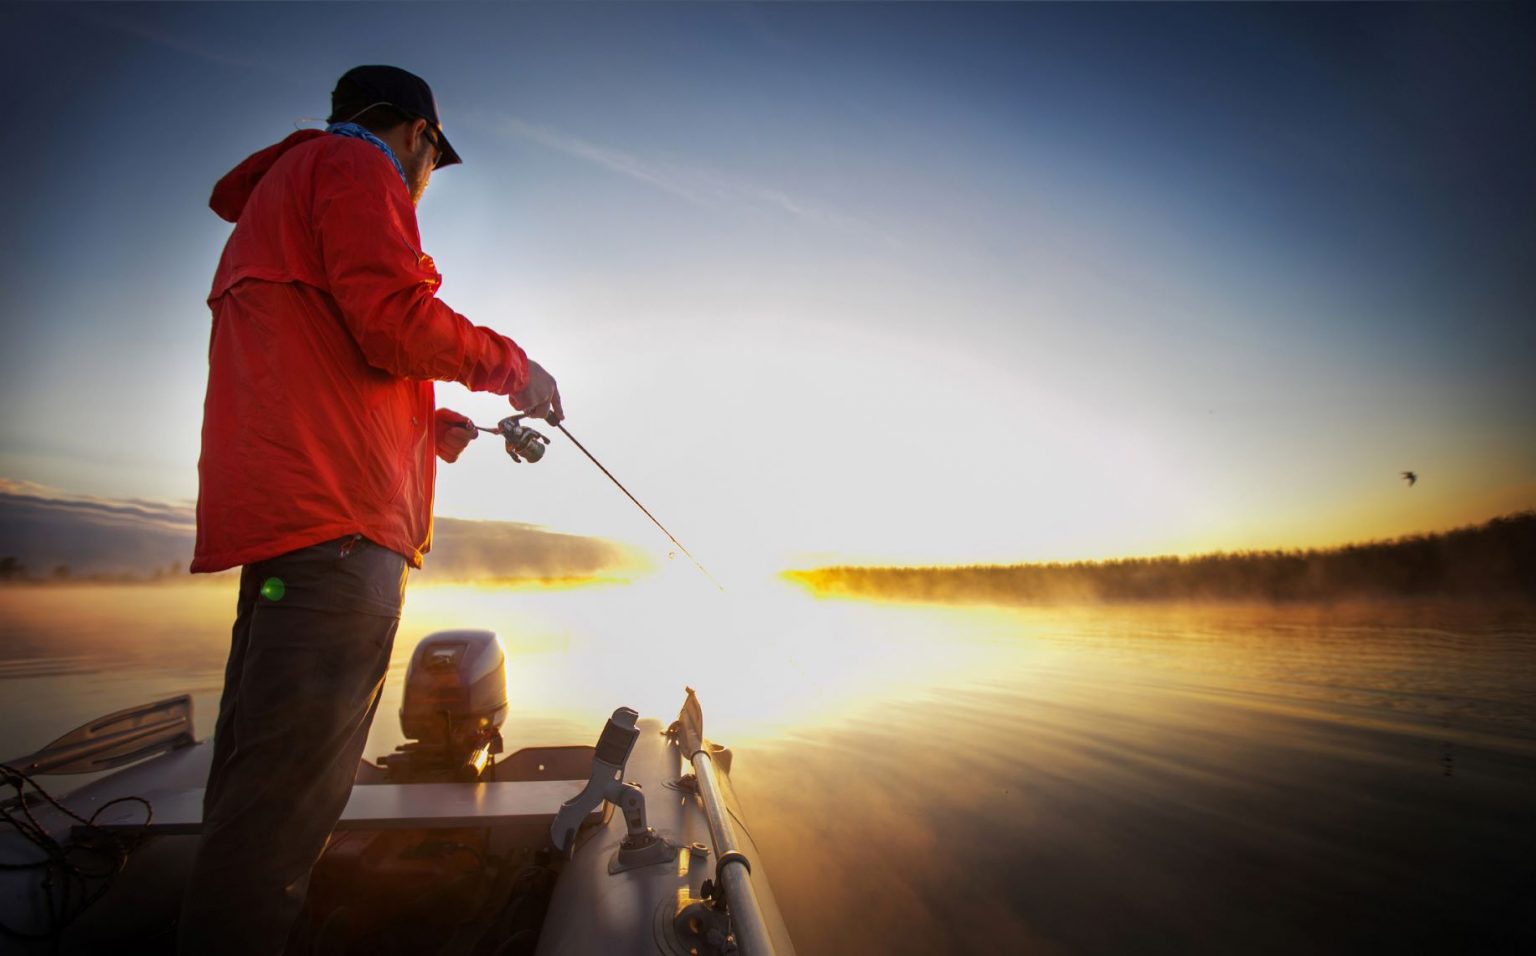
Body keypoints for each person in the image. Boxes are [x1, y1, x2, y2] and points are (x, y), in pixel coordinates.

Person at [177, 65, 560, 955]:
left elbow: (323, 357)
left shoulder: (286, 188)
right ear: (419, 136)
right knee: (280, 817)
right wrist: (516, 368)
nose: (424, 179)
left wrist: (426, 425)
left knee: (254, 790)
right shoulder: (356, 168)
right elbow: (393, 321)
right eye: (432, 159)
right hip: (339, 540)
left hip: (295, 532)